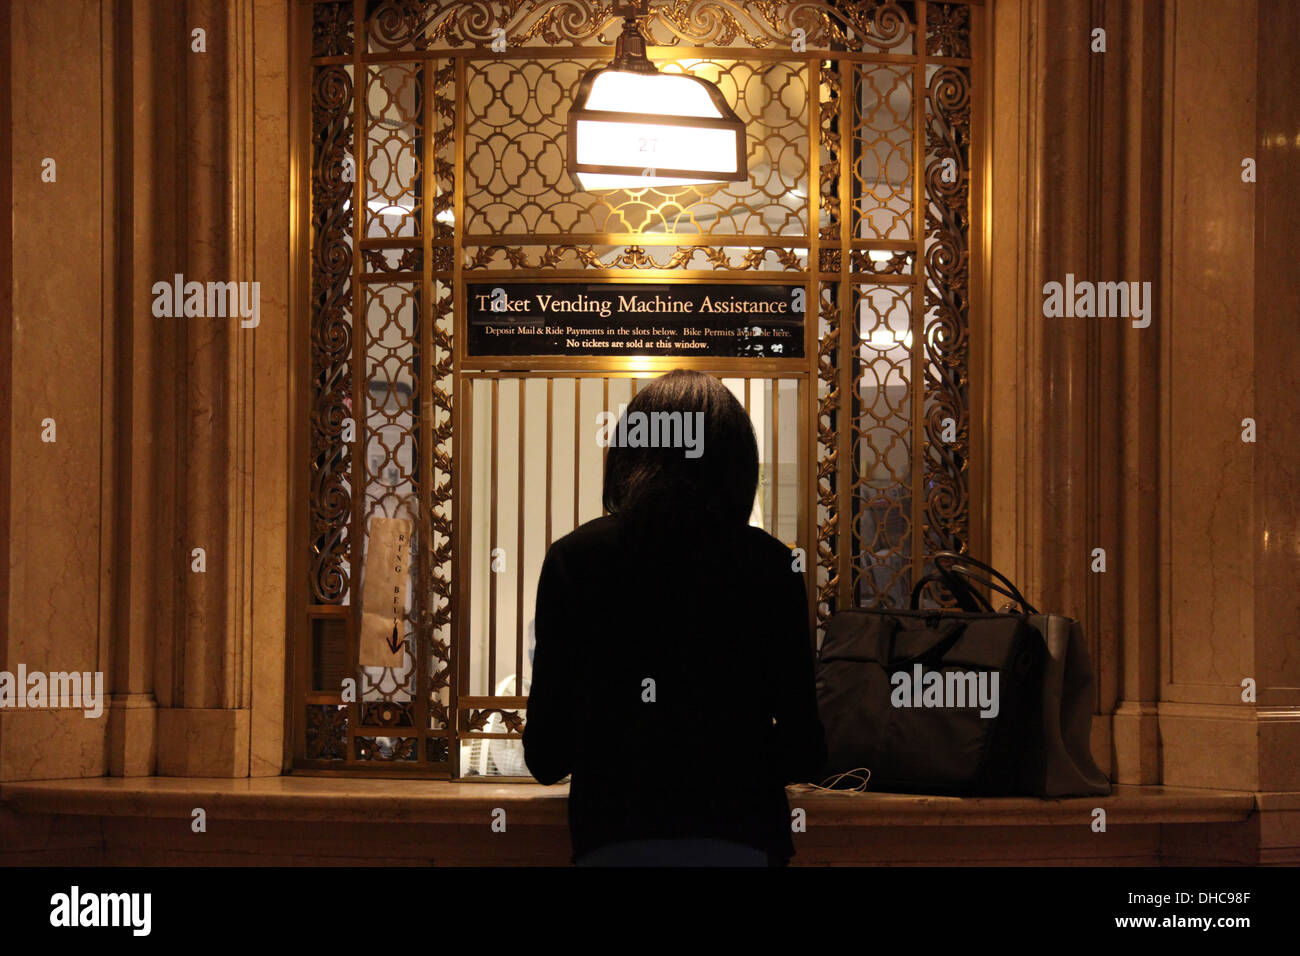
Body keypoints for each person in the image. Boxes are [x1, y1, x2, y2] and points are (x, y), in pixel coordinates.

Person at [522, 369, 827, 866]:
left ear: (628, 453)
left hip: (612, 838)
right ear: (737, 464)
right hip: (743, 838)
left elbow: (545, 757)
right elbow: (806, 751)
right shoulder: (772, 565)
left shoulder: (574, 559)